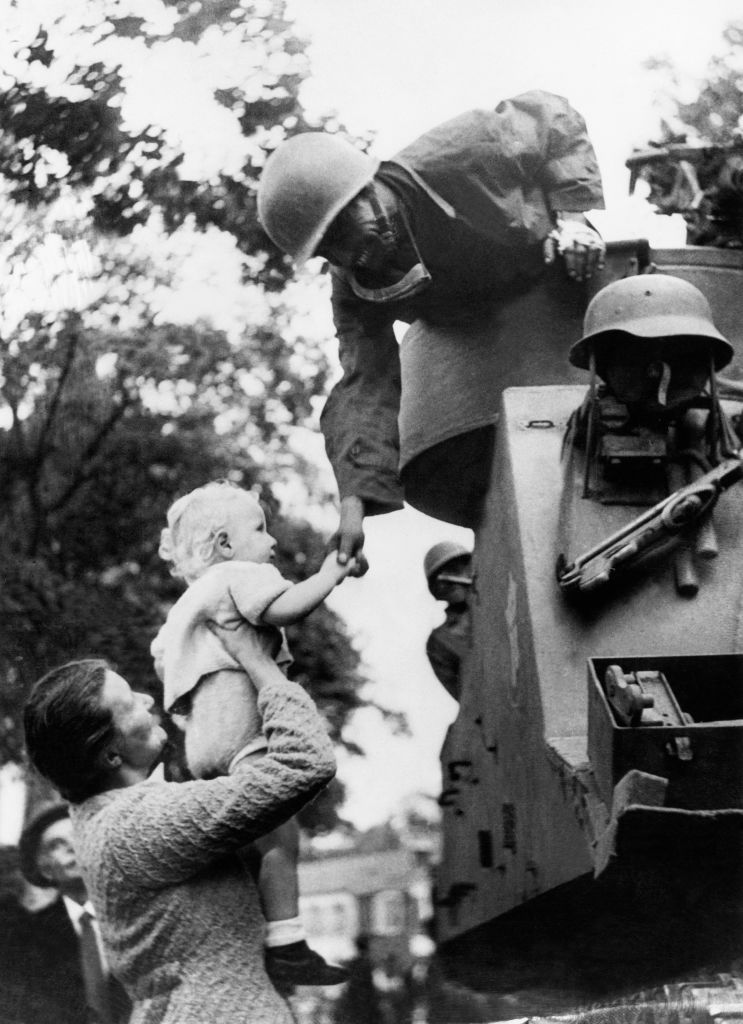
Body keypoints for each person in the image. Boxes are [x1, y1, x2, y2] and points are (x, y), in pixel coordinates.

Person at [257, 90, 606, 564]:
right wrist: (353, 506)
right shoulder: (355, 285)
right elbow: (364, 383)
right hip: (488, 355)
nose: (345, 258)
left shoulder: (460, 151)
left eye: (341, 234)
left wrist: (574, 217)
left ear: (367, 189)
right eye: (327, 252)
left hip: (562, 300)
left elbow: (553, 117)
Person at [23, 627, 337, 1024]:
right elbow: (305, 762)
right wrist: (258, 662)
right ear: (110, 755)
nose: (149, 698)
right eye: (129, 704)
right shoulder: (138, 823)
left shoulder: (100, 817)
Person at [150, 480, 354, 988]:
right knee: (282, 834)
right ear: (224, 544)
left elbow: (163, 660)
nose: (272, 542)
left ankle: (245, 934)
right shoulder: (241, 574)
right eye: (260, 529)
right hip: (242, 728)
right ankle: (287, 943)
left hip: (200, 741)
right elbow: (286, 608)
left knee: (243, 843)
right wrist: (331, 574)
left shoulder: (183, 609)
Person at [0, 802, 131, 1024]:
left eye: (78, 835)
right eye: (57, 844)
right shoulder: (30, 937)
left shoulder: (136, 914)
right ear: (45, 869)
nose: (72, 846)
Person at [423, 541, 474, 702]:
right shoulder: (439, 641)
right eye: (441, 578)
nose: (450, 579)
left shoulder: (502, 601)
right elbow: (464, 698)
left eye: (456, 569)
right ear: (436, 591)